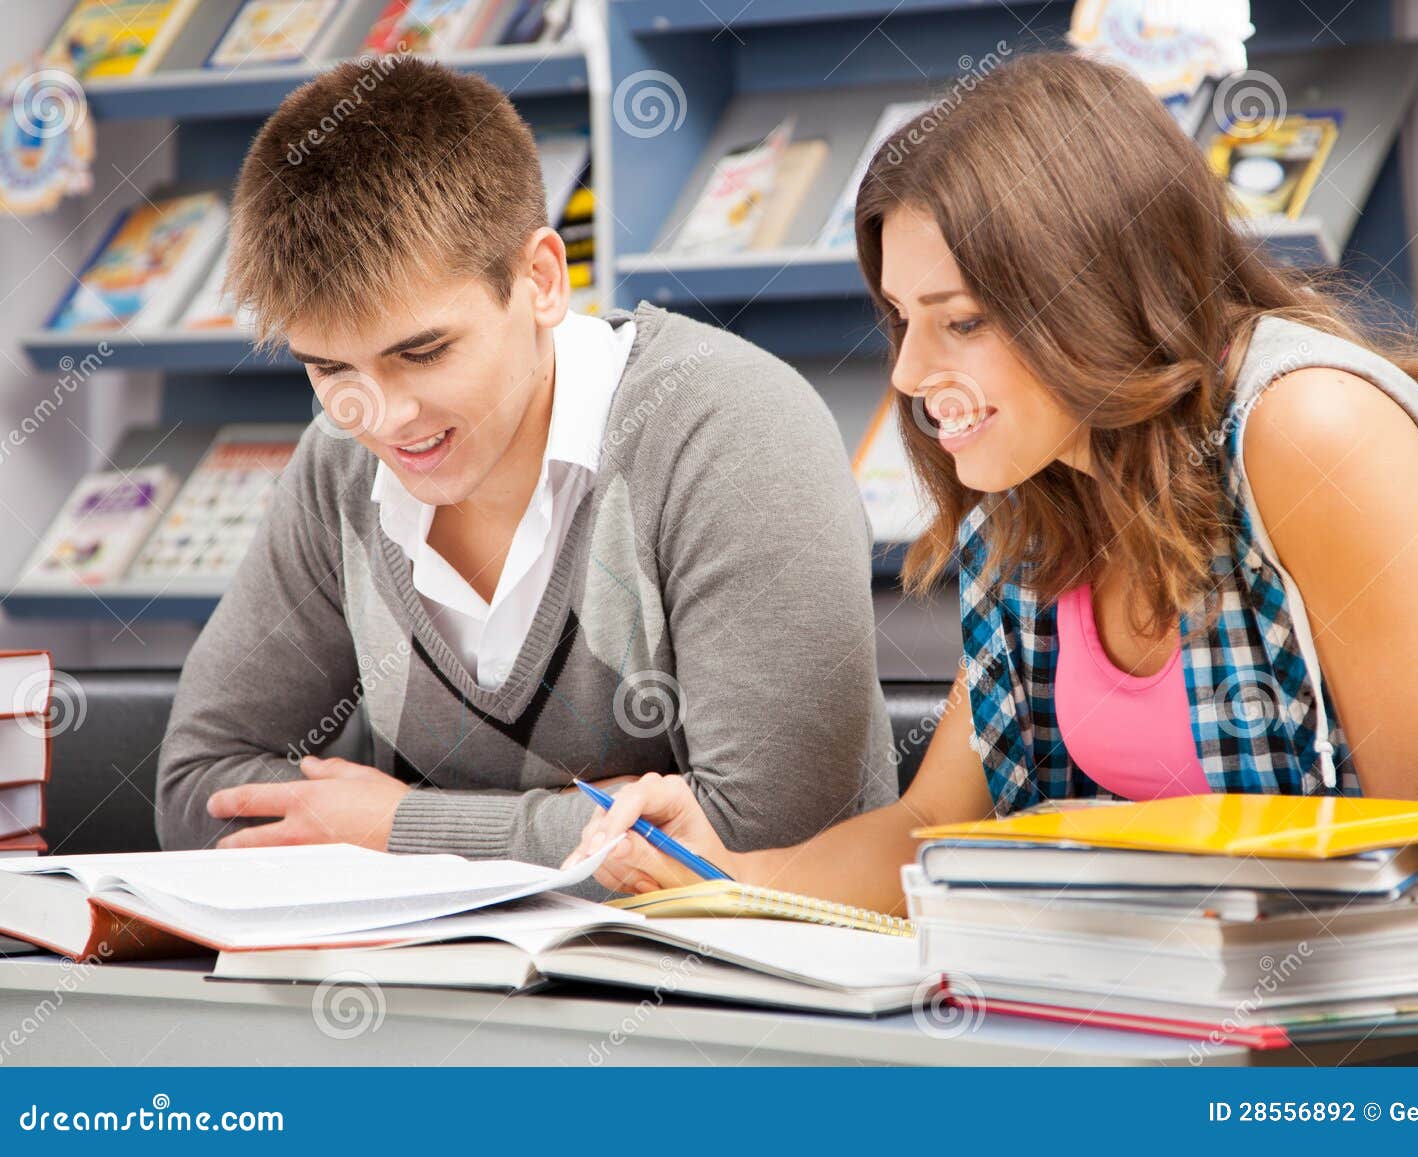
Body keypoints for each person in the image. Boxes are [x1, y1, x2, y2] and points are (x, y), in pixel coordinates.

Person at [571, 51, 1418, 913]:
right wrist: (724, 874)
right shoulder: (1030, 487)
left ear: (1089, 297)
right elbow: (925, 826)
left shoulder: (1308, 427)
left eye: (959, 321)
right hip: (1156, 1017)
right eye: (901, 318)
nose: (909, 374)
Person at [155, 57, 895, 882]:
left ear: (542, 280)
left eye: (424, 351)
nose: (383, 416)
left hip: (742, 1003)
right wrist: (580, 824)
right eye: (331, 370)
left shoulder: (731, 427)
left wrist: (397, 823)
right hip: (465, 996)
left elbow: (756, 841)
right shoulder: (336, 464)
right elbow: (196, 791)